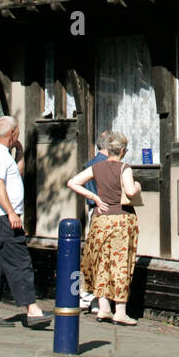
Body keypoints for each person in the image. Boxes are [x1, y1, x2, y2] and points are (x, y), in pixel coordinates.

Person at [0, 115, 53, 328]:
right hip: (4, 218)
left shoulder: (3, 154)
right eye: (18, 132)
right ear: (11, 133)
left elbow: (17, 174)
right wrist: (12, 213)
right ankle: (32, 309)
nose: (19, 134)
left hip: (1, 217)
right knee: (21, 262)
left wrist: (19, 152)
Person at [68, 131, 140, 325]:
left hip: (101, 220)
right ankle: (120, 311)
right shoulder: (124, 168)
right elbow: (131, 191)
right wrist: (138, 187)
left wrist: (95, 198)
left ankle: (103, 308)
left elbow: (72, 182)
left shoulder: (97, 167)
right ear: (123, 150)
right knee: (121, 264)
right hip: (121, 220)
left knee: (101, 262)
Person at [75, 130, 109, 310]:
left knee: (91, 254)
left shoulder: (90, 164)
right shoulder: (110, 165)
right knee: (104, 256)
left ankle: (87, 295)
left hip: (92, 211)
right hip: (107, 212)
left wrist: (92, 198)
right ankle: (97, 298)